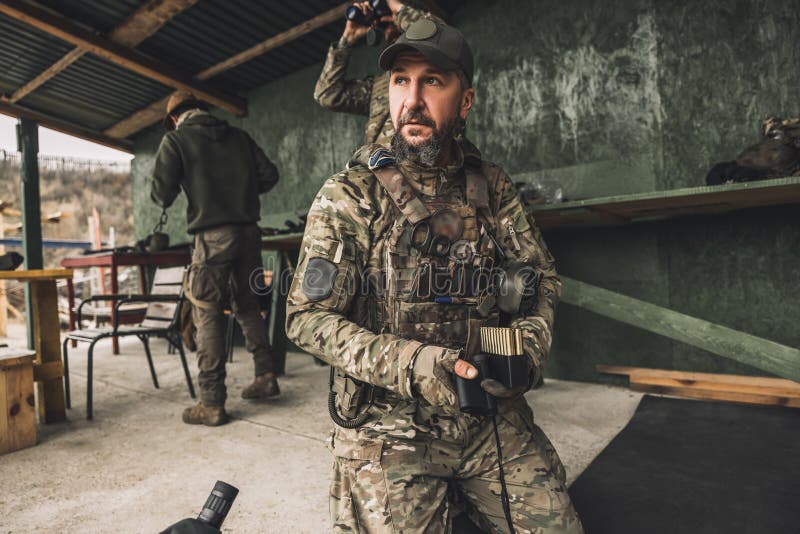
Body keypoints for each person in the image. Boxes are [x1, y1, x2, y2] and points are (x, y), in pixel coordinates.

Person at [287, 19, 583, 533]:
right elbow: (306, 318)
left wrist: (527, 347)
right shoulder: (351, 194)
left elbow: (540, 279)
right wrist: (415, 363)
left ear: (464, 101)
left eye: (433, 81)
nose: (412, 99)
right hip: (388, 425)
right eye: (401, 80)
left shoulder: (491, 187)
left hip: (487, 417)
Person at [151, 92, 281, 427]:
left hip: (212, 237)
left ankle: (211, 401)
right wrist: (238, 192)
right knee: (248, 304)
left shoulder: (175, 140)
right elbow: (269, 176)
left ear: (174, 118)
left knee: (206, 309)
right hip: (250, 232)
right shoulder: (239, 136)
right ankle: (265, 375)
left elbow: (161, 194)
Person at [314, 0, 443, 147]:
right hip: (380, 167)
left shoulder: (441, 68)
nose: (390, 29)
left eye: (398, 21)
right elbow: (327, 94)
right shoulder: (380, 85)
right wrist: (348, 38)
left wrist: (397, 9)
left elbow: (438, 38)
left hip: (429, 165)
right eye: (386, 26)